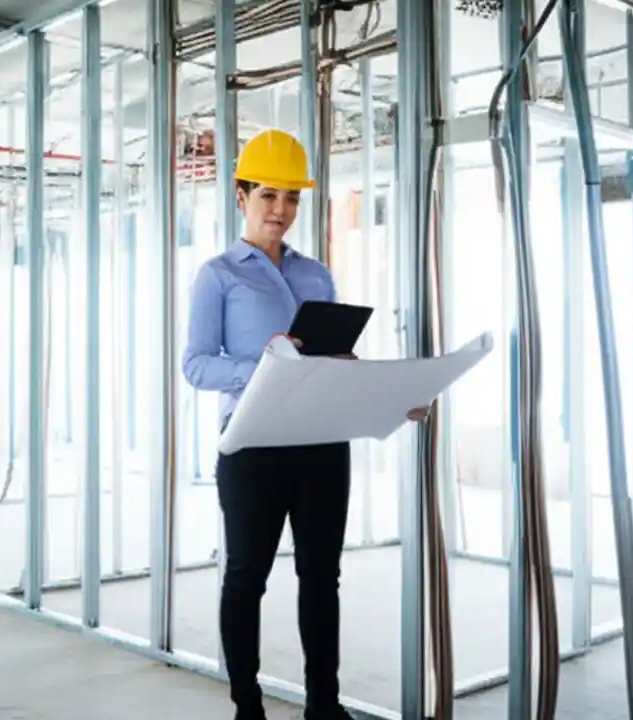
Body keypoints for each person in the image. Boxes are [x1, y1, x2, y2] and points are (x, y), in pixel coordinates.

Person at [182, 129, 429, 720]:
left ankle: (325, 704)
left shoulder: (317, 275)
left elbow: (333, 365)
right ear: (241, 196)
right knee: (247, 577)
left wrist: (390, 398)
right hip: (254, 445)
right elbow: (196, 365)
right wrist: (265, 364)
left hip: (321, 445)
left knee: (322, 577)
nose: (281, 209)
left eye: (292, 197)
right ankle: (248, 705)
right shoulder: (218, 275)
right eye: (269, 195)